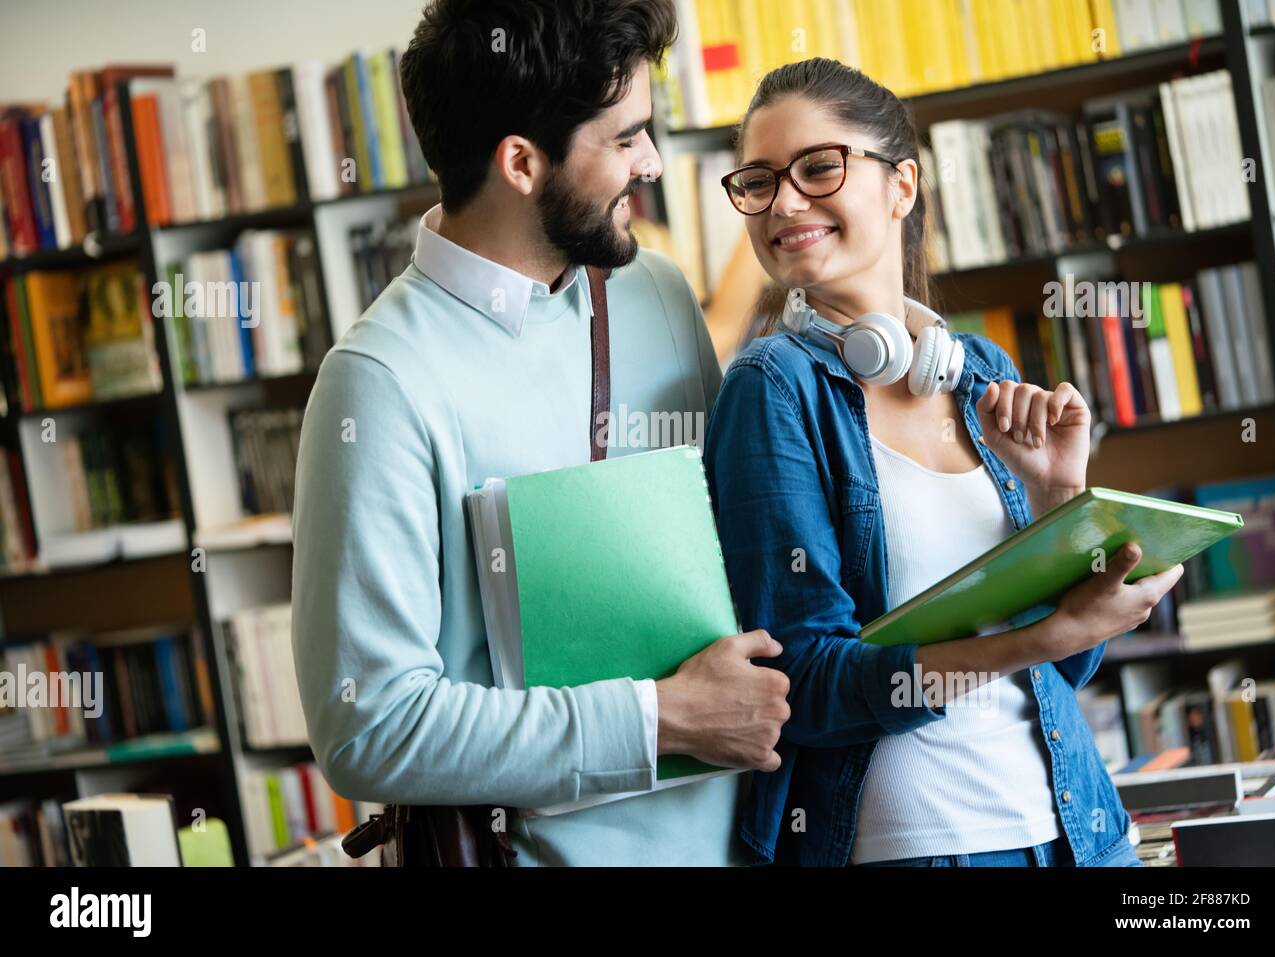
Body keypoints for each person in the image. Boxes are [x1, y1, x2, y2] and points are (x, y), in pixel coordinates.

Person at [291, 0, 789, 867]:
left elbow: (740, 549)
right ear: (520, 162)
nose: (653, 163)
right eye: (626, 138)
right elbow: (366, 721)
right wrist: (660, 717)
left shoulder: (656, 293)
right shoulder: (378, 382)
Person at [702, 58, 1184, 867]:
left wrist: (1061, 495)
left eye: (820, 166)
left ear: (902, 186)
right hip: (921, 848)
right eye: (758, 181)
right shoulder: (770, 389)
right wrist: (1033, 640)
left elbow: (1068, 663)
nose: (784, 203)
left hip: (1081, 836)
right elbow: (804, 688)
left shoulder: (981, 369)